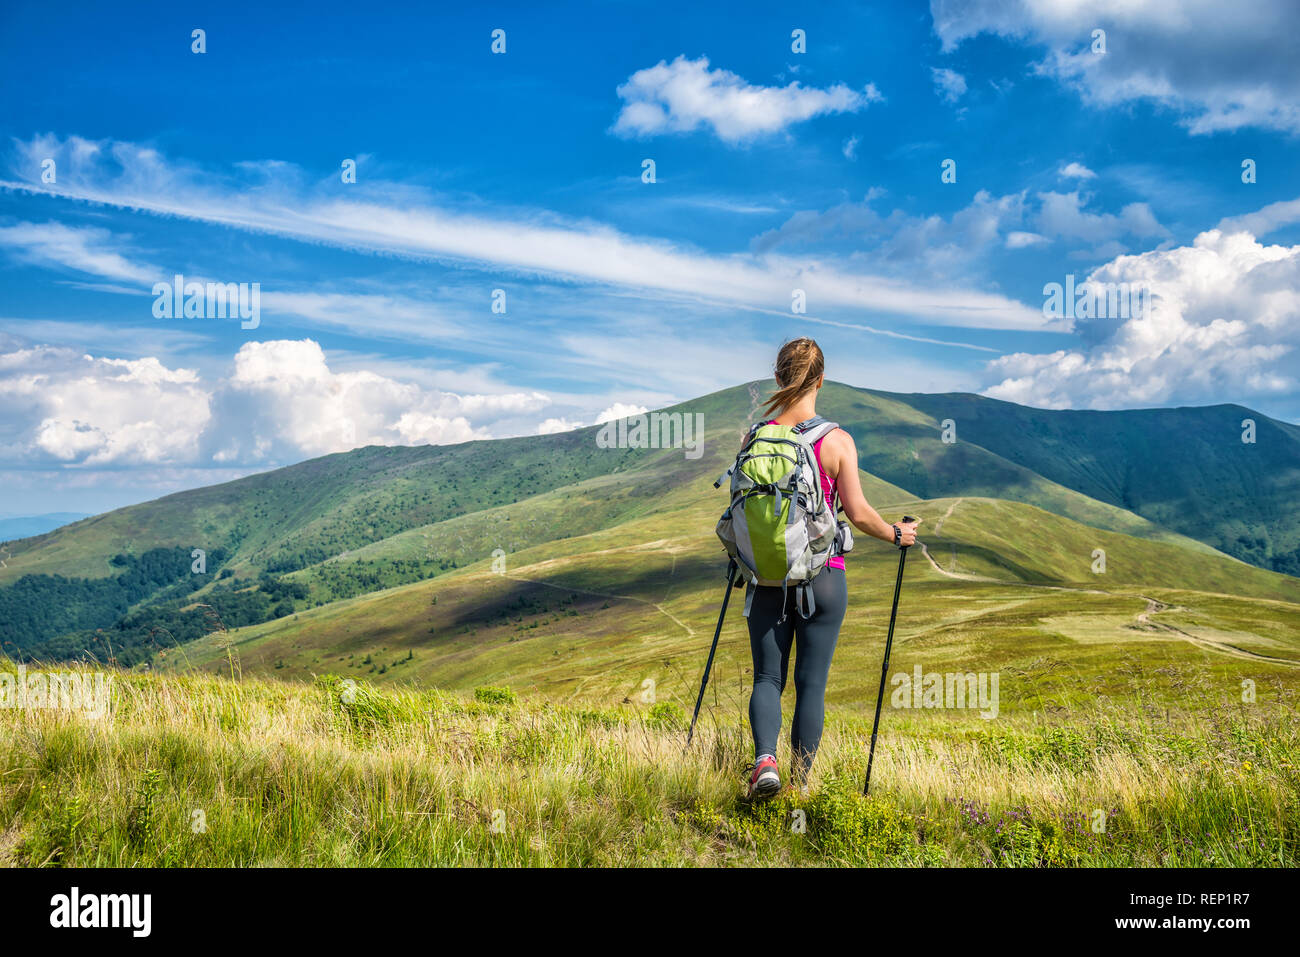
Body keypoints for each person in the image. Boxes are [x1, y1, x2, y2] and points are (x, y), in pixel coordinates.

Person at [744, 337, 920, 800]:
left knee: (767, 678)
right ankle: (801, 787)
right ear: (820, 380)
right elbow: (859, 513)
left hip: (766, 577)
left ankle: (766, 762)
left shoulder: (755, 438)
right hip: (824, 578)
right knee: (811, 684)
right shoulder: (836, 441)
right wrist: (897, 535)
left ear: (779, 377)